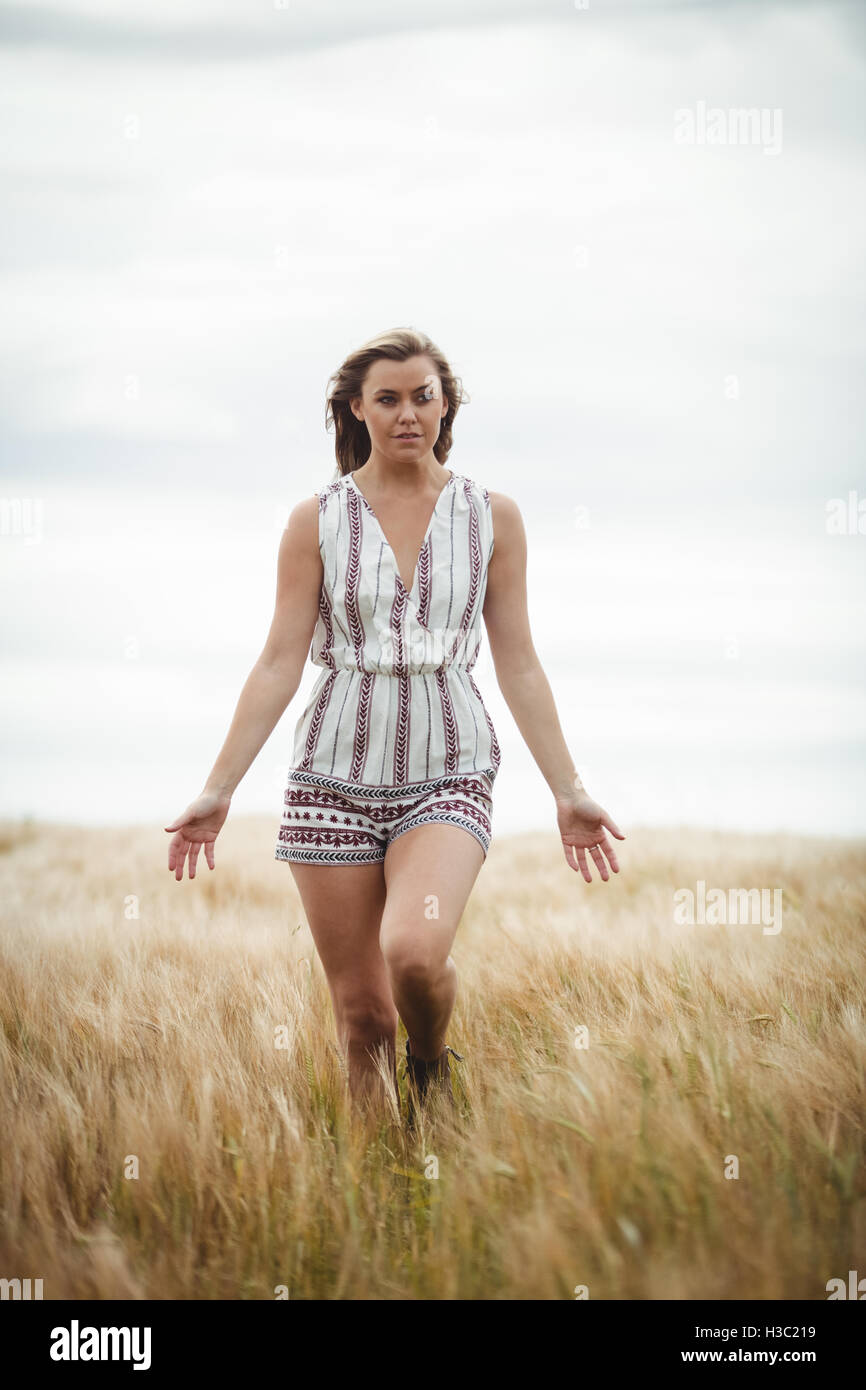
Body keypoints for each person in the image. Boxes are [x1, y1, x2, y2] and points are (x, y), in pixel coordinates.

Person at [165, 327, 625, 1123]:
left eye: (423, 396)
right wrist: (218, 789)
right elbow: (277, 662)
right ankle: (378, 1178)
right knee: (363, 1019)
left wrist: (569, 789)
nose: (408, 413)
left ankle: (432, 1063)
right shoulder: (315, 520)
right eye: (388, 399)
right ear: (358, 409)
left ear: (447, 406)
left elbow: (518, 662)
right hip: (330, 778)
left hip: (449, 769)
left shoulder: (493, 517)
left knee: (413, 954)